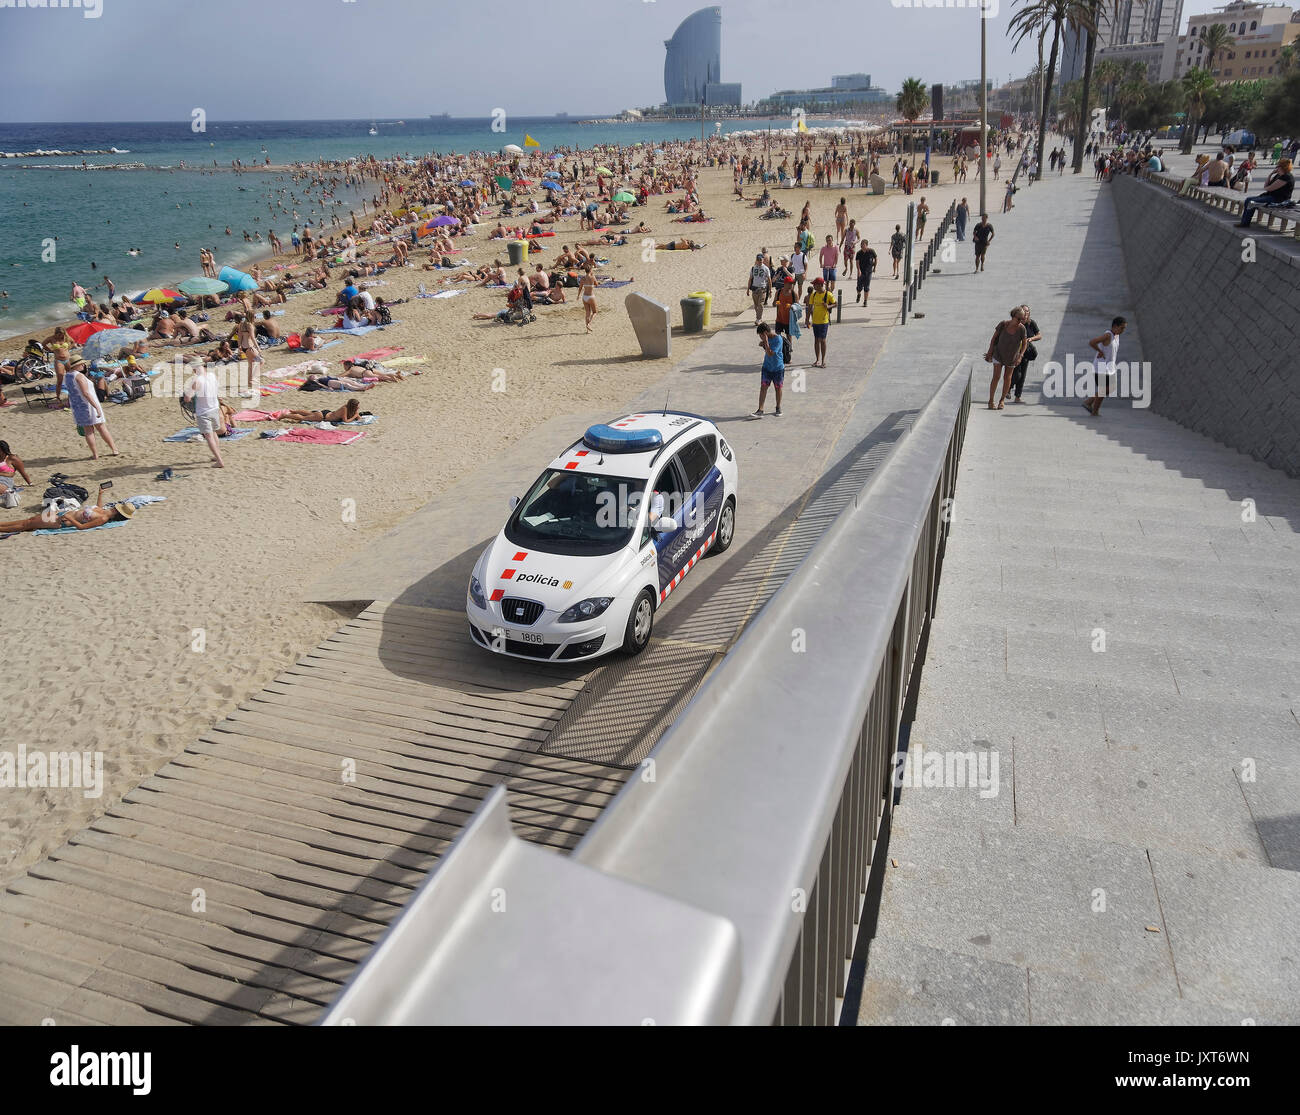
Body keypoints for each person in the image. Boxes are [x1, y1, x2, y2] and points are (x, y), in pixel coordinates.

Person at [0, 485, 135, 535]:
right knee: (29, 521)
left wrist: (70, 518)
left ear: (118, 511)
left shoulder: (103, 518)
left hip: (63, 521)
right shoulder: (104, 511)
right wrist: (100, 494)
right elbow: (97, 507)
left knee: (27, 524)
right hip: (62, 513)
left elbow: (82, 527)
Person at [63, 358, 119, 459]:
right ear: (75, 365)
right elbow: (86, 393)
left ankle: (95, 454)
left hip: (77, 406)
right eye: (82, 364)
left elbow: (71, 392)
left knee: (88, 431)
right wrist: (96, 407)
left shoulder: (67, 376)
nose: (83, 365)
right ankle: (114, 449)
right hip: (88, 405)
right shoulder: (79, 376)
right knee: (101, 428)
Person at [183, 362, 226, 468]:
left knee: (209, 436)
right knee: (214, 433)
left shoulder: (196, 380)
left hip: (203, 412)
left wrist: (187, 395)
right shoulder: (212, 375)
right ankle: (217, 456)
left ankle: (219, 461)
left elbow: (188, 398)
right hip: (214, 408)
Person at [1082, 316, 1128, 416]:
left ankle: (1090, 404)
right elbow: (1092, 342)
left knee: (1108, 389)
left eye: (1124, 328)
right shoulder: (1108, 335)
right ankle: (1092, 408)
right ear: (1115, 326)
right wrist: (1100, 351)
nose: (1123, 330)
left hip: (1109, 368)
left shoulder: (1116, 336)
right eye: (1122, 328)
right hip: (1101, 367)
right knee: (1105, 390)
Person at [984, 306, 1028, 410]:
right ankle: (991, 400)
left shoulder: (1022, 328)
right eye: (1019, 319)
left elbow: (1025, 344)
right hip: (998, 354)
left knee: (1007, 378)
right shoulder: (1003, 324)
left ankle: (1002, 400)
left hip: (1012, 356)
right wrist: (990, 352)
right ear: (1013, 316)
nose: (1020, 321)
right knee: (996, 376)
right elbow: (994, 338)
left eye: (1022, 319)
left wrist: (1020, 356)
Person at [1237, 158, 1294, 228]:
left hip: (1279, 199)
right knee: (1248, 199)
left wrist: (1267, 188)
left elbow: (1269, 188)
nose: (1277, 167)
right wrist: (1270, 174)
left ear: (1282, 167)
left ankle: (1245, 223)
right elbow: (1266, 186)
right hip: (1271, 196)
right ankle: (1244, 222)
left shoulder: (1286, 177)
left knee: (1251, 201)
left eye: (1278, 166)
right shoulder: (1278, 175)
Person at [1008, 304, 1042, 403]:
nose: (1026, 313)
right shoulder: (1016, 323)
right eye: (1024, 311)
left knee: (1022, 375)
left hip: (1026, 352)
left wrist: (1031, 339)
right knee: (1016, 374)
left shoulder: (1031, 323)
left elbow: (1039, 335)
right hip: (1016, 352)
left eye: (1027, 311)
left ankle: (1017, 397)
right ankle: (1008, 389)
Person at [752, 322, 784, 418]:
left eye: (761, 335)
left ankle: (778, 407)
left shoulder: (778, 339)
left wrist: (765, 342)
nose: (760, 337)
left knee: (778, 388)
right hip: (767, 367)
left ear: (765, 333)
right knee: (763, 387)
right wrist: (763, 343)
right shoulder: (767, 339)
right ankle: (760, 409)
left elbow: (770, 353)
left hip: (778, 368)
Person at [805, 277, 836, 369]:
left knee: (822, 340)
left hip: (824, 321)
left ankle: (823, 361)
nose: (813, 286)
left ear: (821, 285)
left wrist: (828, 306)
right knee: (816, 340)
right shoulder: (813, 295)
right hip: (815, 321)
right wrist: (807, 319)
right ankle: (817, 360)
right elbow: (810, 307)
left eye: (815, 284)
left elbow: (835, 303)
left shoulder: (828, 294)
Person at [747, 252, 771, 324]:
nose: (760, 261)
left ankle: (758, 319)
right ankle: (758, 317)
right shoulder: (753, 268)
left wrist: (770, 290)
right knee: (756, 305)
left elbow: (769, 280)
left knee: (760, 304)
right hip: (754, 289)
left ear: (763, 260)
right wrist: (748, 289)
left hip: (762, 289)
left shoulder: (766, 268)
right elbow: (750, 279)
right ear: (756, 260)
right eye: (758, 260)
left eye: (761, 260)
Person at [854, 238, 877, 308]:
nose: (862, 247)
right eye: (861, 245)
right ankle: (859, 294)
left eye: (863, 245)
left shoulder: (871, 251)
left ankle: (865, 301)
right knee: (859, 287)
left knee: (866, 287)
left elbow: (876, 258)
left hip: (869, 272)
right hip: (861, 272)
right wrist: (858, 270)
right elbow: (857, 263)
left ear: (867, 245)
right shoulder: (859, 253)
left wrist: (874, 268)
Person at [580, 266, 598, 333]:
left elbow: (580, 287)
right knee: (594, 312)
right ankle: (589, 324)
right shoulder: (592, 277)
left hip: (584, 296)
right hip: (590, 296)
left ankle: (587, 330)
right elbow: (597, 284)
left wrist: (578, 295)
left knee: (587, 312)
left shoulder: (582, 278)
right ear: (590, 270)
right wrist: (593, 275)